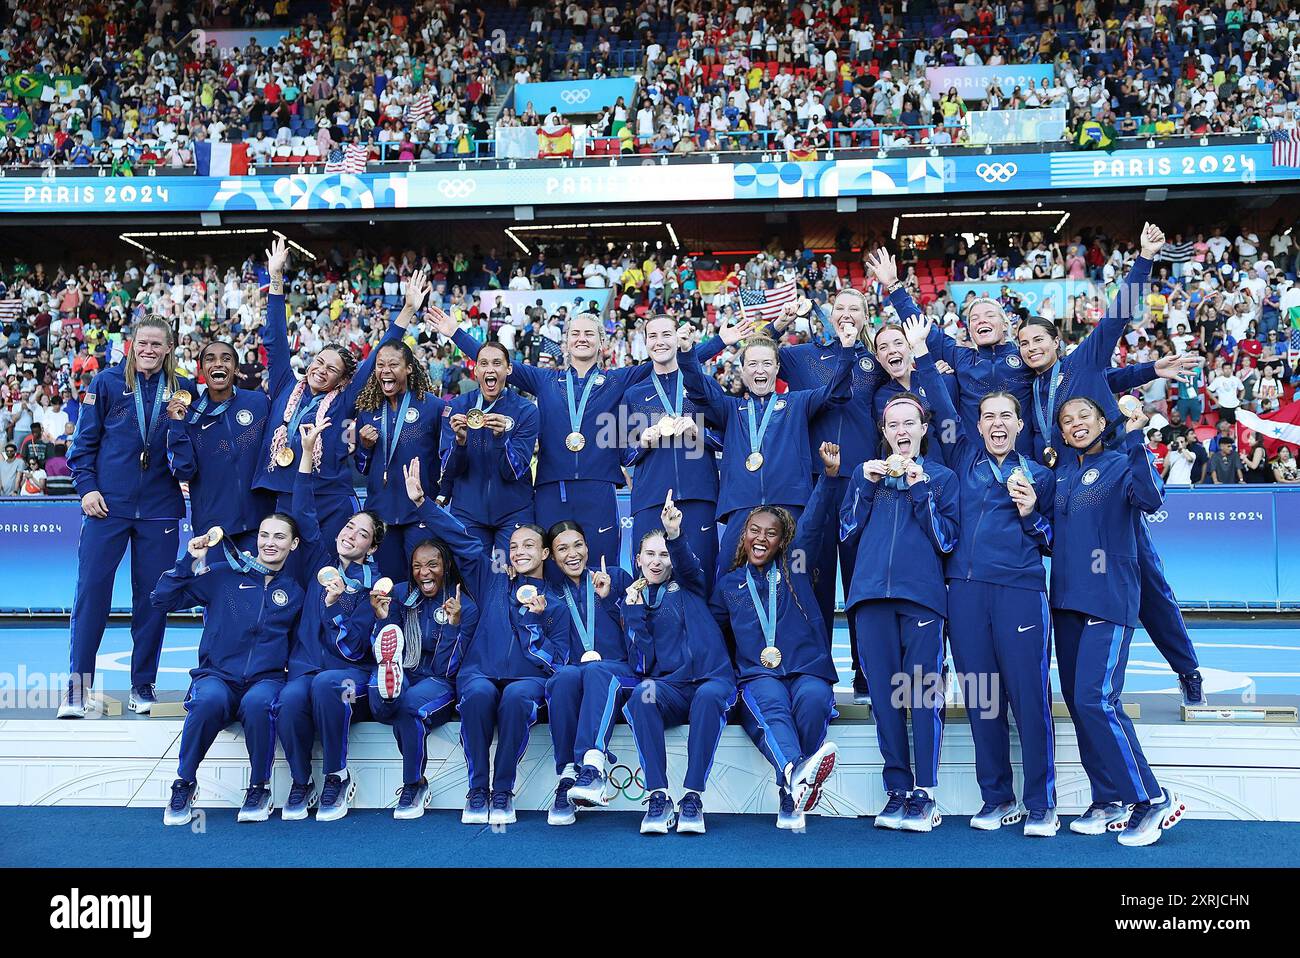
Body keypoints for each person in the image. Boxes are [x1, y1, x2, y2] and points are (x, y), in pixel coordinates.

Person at [1012, 225, 1207, 707]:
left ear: (1057, 341)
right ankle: (1083, 690)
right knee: (1074, 586)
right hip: (1067, 493)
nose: (1030, 348)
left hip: (1110, 482)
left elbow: (1117, 317)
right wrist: (1143, 371)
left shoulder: (1082, 359)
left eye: (1038, 339)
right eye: (1023, 344)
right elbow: (1108, 380)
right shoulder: (1029, 387)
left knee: (1148, 583)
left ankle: (1187, 669)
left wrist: (1143, 259)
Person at [908, 316, 1059, 837]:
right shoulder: (963, 457)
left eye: (1006, 417)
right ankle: (999, 798)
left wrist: (1032, 513)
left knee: (1028, 700)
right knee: (982, 698)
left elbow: (1052, 540)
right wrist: (922, 353)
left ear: (1020, 426)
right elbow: (942, 403)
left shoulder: (1039, 475)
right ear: (978, 424)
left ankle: (1041, 802)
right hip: (964, 593)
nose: (996, 423)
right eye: (988, 416)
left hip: (1018, 591)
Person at [404, 456, 573, 825]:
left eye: (528, 545)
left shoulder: (557, 604)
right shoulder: (490, 578)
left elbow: (557, 663)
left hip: (527, 680)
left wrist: (536, 622)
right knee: (479, 695)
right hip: (479, 671)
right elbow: (459, 538)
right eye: (514, 547)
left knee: (514, 699)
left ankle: (503, 791)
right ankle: (477, 789)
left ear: (545, 553)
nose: (519, 551)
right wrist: (423, 504)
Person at [1051, 397, 1188, 845]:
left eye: (1083, 416)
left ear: (1102, 421)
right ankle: (1109, 798)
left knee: (1097, 700)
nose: (1075, 425)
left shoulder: (1120, 461)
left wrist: (1134, 437)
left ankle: (1151, 798)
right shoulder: (1064, 474)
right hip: (1067, 603)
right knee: (1080, 704)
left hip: (1108, 599)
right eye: (1067, 421)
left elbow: (1151, 498)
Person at [62, 315, 197, 718]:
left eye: (157, 345)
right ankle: (75, 689)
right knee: (91, 596)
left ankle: (142, 686)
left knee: (153, 601)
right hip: (108, 507)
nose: (149, 351)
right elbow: (82, 445)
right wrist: (86, 488)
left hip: (159, 510)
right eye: (143, 344)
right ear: (132, 345)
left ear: (169, 348)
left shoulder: (183, 391)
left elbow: (191, 450)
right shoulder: (106, 383)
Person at [839, 392, 959, 832]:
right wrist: (865, 485)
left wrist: (919, 486)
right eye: (893, 425)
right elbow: (847, 530)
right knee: (887, 700)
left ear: (924, 429)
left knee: (923, 695)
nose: (901, 432)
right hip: (869, 598)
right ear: (884, 433)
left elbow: (946, 540)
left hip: (922, 599)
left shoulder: (942, 477)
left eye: (910, 424)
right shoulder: (864, 474)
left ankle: (925, 792)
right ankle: (897, 790)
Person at [710, 443, 842, 830]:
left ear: (783, 542)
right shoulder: (729, 585)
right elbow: (707, 631)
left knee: (815, 698)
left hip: (805, 669)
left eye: (772, 533)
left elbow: (815, 521)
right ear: (743, 536)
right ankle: (795, 776)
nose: (762, 538)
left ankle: (791, 785)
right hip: (758, 674)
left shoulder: (795, 568)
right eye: (754, 531)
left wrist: (829, 478)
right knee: (770, 703)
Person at [770, 290, 891, 701]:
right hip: (816, 487)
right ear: (829, 316)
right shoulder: (802, 355)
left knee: (861, 584)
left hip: (863, 485)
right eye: (839, 308)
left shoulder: (875, 361)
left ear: (865, 316)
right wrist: (783, 319)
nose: (846, 315)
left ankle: (866, 670)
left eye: (855, 309)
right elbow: (760, 352)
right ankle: (817, 673)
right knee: (813, 584)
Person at [251, 238, 410, 546]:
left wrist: (406, 311)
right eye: (319, 361)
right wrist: (276, 278)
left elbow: (377, 355)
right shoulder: (286, 382)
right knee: (285, 567)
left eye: (331, 369)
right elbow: (276, 337)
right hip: (282, 490)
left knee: (325, 569)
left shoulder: (343, 400)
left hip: (326, 497)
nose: (321, 370)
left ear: (341, 381)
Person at [153, 512, 305, 825]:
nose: (269, 543)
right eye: (264, 535)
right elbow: (162, 600)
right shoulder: (223, 575)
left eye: (279, 537)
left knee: (259, 703)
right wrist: (189, 560)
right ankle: (184, 783)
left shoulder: (295, 592)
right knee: (208, 701)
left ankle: (258, 788)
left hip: (266, 680)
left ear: (294, 544)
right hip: (217, 676)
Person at [680, 319, 857, 580]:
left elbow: (836, 391)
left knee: (796, 583)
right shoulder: (730, 409)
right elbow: (698, 390)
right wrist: (686, 355)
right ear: (742, 371)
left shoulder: (798, 403)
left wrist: (847, 348)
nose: (759, 370)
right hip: (742, 507)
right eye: (752, 364)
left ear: (776, 368)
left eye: (766, 363)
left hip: (790, 507)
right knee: (730, 583)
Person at [276, 419, 386, 822]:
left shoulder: (373, 587)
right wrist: (306, 455)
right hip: (306, 670)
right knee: (288, 698)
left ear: (371, 547)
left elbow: (356, 649)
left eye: (361, 534)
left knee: (327, 683)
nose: (350, 535)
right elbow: (302, 512)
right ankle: (302, 782)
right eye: (348, 527)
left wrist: (339, 604)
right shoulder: (316, 563)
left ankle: (337, 775)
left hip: (348, 676)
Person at [364, 471, 480, 820]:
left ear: (446, 567)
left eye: (432, 565)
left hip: (439, 681)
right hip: (405, 670)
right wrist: (384, 618)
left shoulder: (465, 605)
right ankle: (388, 685)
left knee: (408, 706)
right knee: (378, 690)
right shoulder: (400, 595)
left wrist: (456, 624)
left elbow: (449, 670)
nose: (424, 572)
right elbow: (388, 642)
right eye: (417, 566)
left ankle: (414, 784)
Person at [621, 490, 738, 835]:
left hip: (710, 681)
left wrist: (674, 534)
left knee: (708, 698)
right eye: (649, 555)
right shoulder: (633, 601)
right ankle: (658, 795)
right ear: (638, 559)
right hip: (670, 689)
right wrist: (633, 612)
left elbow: (686, 562)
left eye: (662, 555)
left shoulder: (688, 584)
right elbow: (642, 663)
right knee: (642, 694)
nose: (657, 561)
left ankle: (692, 797)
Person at [868, 249, 1035, 456]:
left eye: (989, 315)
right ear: (970, 330)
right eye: (974, 318)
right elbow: (922, 328)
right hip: (973, 467)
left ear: (1005, 324)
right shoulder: (961, 359)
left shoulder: (1027, 359)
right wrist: (894, 285)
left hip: (1024, 462)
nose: (981, 320)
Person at [620, 315, 729, 592]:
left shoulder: (702, 386)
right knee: (650, 584)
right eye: (653, 336)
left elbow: (729, 438)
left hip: (699, 495)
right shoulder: (634, 394)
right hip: (651, 500)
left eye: (666, 334)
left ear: (678, 339)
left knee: (700, 581)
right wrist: (643, 441)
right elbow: (624, 453)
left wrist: (698, 432)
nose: (660, 342)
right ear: (644, 343)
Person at [541, 521, 635, 825]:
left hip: (620, 673)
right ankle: (568, 775)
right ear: (552, 557)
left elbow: (640, 629)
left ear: (588, 546)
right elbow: (551, 650)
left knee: (596, 672)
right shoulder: (550, 593)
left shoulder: (616, 578)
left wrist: (611, 600)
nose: (572, 554)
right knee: (564, 677)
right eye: (562, 549)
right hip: (579, 676)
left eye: (578, 544)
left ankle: (592, 767)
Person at [353, 293, 447, 578]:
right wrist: (364, 448)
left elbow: (449, 460)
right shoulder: (367, 410)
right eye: (380, 365)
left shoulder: (433, 407)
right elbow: (360, 467)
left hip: (419, 513)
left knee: (424, 580)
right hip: (381, 514)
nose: (385, 371)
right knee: (389, 584)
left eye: (393, 364)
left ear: (408, 368)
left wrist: (440, 501)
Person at [164, 339, 272, 547]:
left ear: (236, 369)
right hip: (213, 530)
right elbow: (184, 471)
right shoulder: (190, 415)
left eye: (226, 359)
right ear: (202, 369)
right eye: (210, 359)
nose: (219, 364)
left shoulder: (258, 403)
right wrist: (176, 426)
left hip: (261, 525)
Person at [439, 341, 539, 558]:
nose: (490, 369)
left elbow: (513, 471)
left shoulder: (526, 411)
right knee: (470, 580)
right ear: (476, 370)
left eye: (497, 363)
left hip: (514, 511)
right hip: (468, 511)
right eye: (483, 363)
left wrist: (502, 439)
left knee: (511, 578)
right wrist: (461, 442)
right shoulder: (458, 407)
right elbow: (449, 470)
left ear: (508, 369)